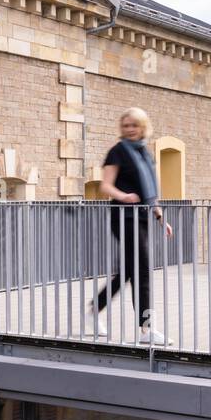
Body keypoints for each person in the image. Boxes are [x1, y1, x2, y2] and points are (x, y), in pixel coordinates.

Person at [89, 108, 172, 342]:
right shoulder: (117, 152)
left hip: (143, 217)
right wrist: (124, 196)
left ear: (143, 127)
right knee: (142, 270)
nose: (129, 129)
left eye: (134, 125)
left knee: (128, 271)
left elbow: (150, 193)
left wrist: (160, 218)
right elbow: (106, 186)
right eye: (125, 126)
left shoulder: (144, 153)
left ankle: (95, 309)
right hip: (124, 217)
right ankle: (146, 330)